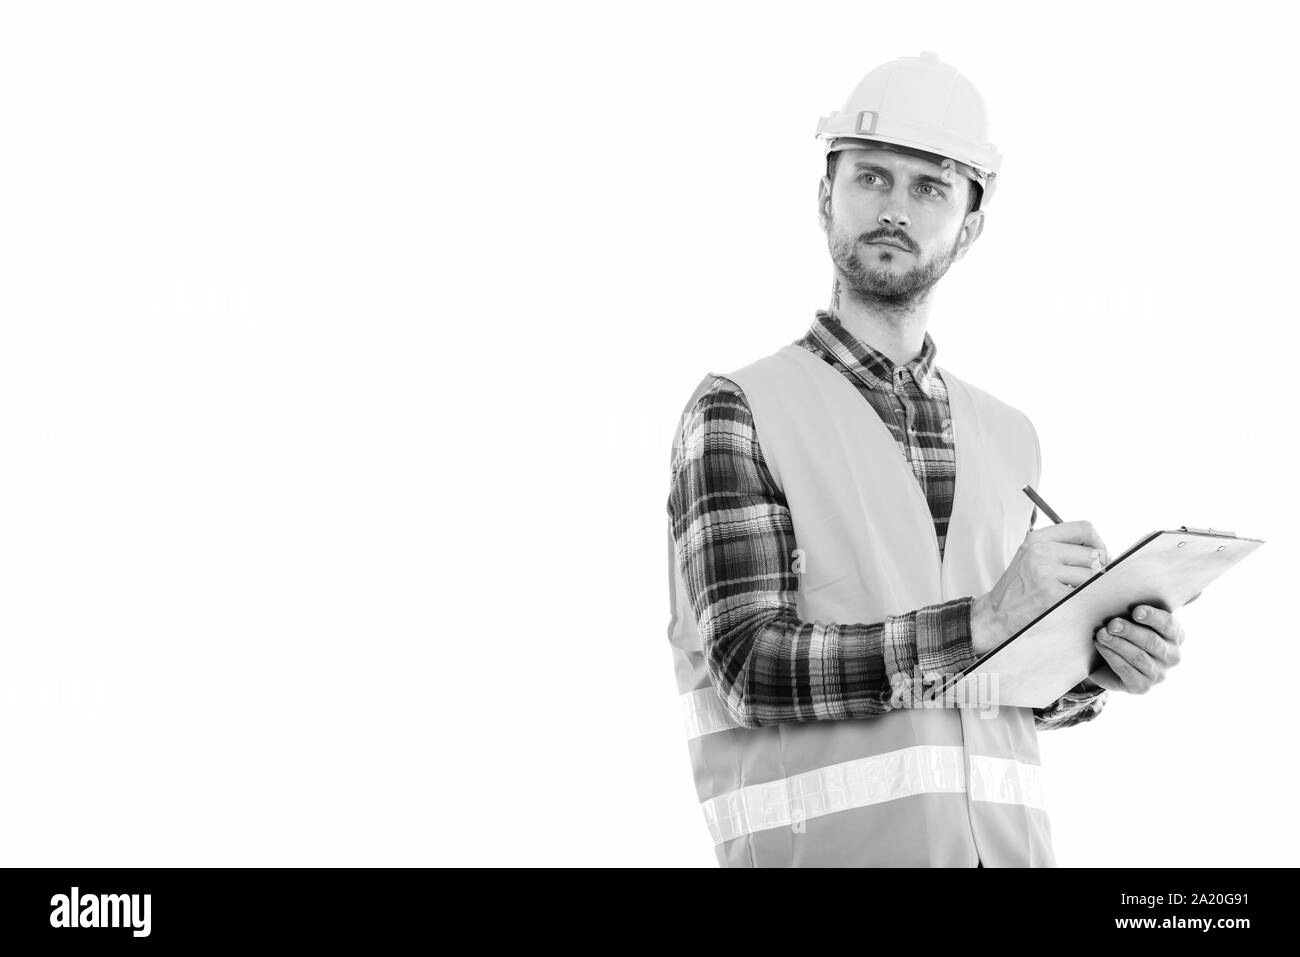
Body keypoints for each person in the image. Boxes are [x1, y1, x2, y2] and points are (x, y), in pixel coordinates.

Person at [663, 52, 1186, 868]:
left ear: (970, 227)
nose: (894, 210)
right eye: (871, 177)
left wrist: (1089, 664)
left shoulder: (1009, 436)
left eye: (930, 187)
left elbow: (976, 688)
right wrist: (982, 619)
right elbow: (749, 668)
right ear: (825, 196)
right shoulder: (738, 411)